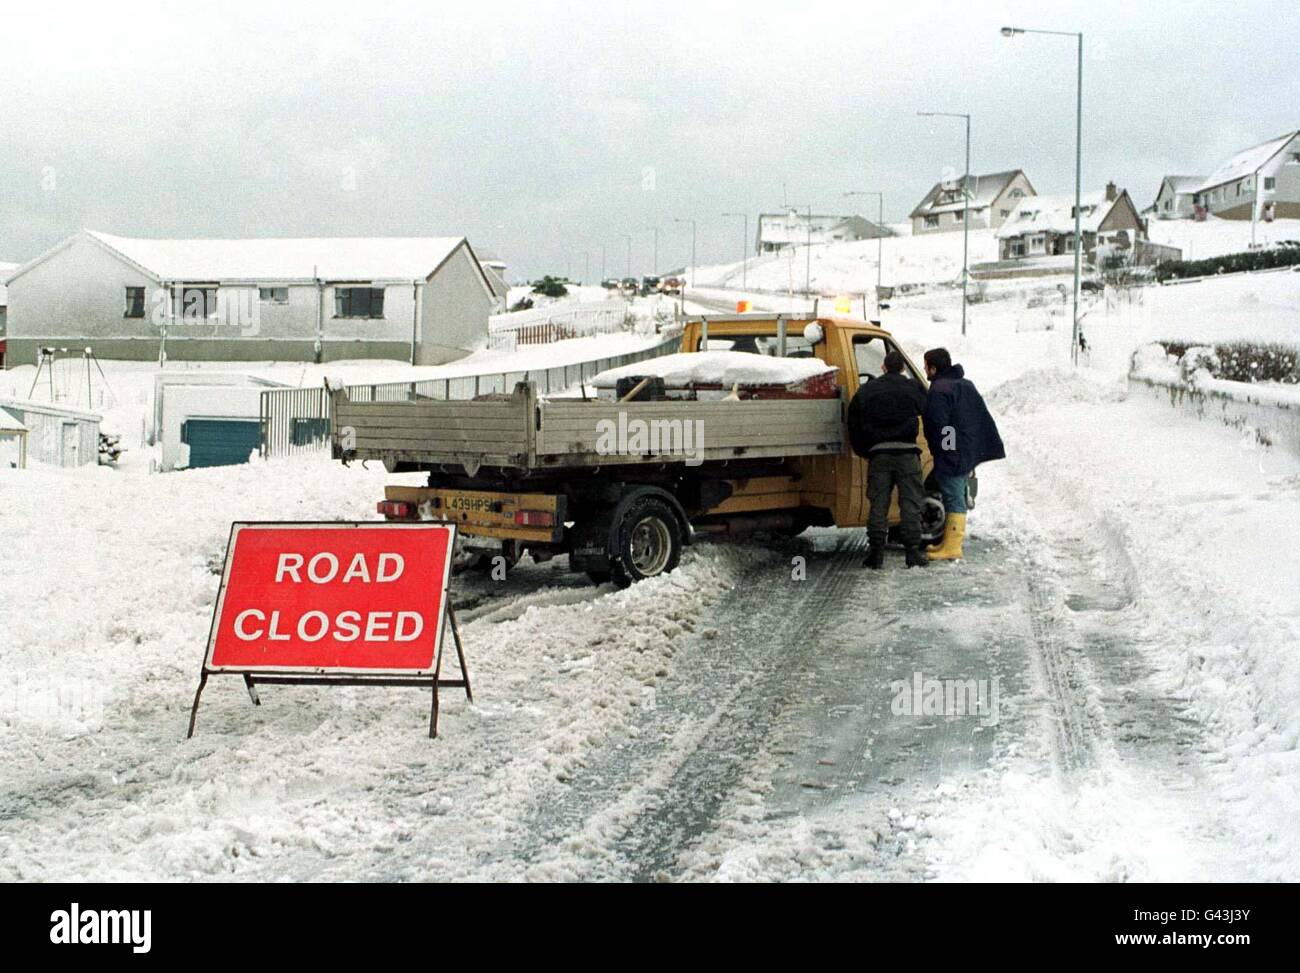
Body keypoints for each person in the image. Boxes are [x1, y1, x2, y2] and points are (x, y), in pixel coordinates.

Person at [847, 349, 930, 569]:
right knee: (911, 504)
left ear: (883, 367)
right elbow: (929, 412)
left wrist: (865, 449)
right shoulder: (913, 387)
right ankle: (912, 553)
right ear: (903, 368)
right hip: (907, 453)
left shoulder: (868, 389)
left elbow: (853, 420)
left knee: (878, 504)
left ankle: (876, 555)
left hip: (880, 454)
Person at [921, 348, 1006, 561]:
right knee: (956, 495)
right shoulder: (965, 385)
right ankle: (948, 543)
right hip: (966, 451)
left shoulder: (940, 390)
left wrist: (947, 451)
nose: (924, 370)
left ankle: (952, 547)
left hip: (954, 454)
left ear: (933, 367)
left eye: (926, 366)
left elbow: (944, 426)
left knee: (953, 497)